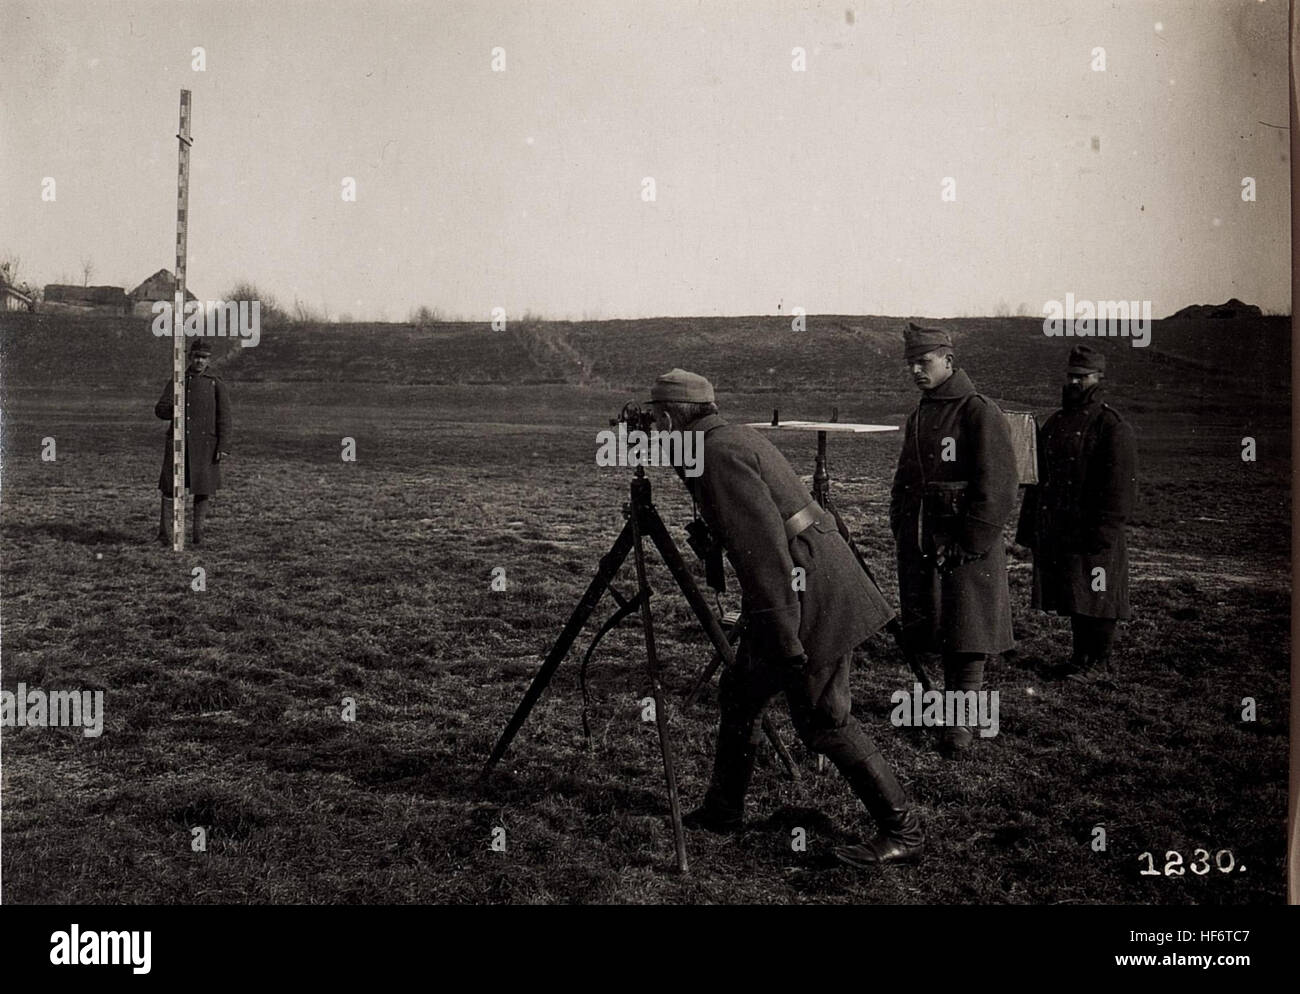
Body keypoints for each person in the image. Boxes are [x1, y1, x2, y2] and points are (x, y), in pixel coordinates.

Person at [646, 368, 924, 867]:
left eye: (656, 419)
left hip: (807, 591)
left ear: (669, 417)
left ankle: (903, 831)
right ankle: (724, 809)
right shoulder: (725, 438)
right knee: (741, 693)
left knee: (822, 717)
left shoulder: (716, 454)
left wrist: (784, 636)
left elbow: (764, 556)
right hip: (801, 580)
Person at [889, 323, 1018, 756]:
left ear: (948, 360)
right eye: (911, 363)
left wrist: (972, 541)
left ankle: (960, 726)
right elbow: (906, 477)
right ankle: (948, 712)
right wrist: (900, 523)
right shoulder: (921, 413)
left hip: (966, 544)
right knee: (942, 628)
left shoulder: (979, 411)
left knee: (968, 633)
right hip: (925, 539)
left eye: (923, 362)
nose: (915, 371)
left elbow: (998, 485)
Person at [1015, 344, 1137, 683]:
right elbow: (1038, 479)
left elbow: (1119, 488)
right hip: (1063, 530)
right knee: (1077, 594)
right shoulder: (1056, 423)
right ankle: (1080, 658)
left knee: (1100, 597)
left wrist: (1104, 532)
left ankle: (1099, 663)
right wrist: (1031, 530)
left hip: (1097, 534)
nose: (1075, 382)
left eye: (1083, 377)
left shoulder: (1110, 426)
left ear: (1099, 377)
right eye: (1071, 376)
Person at [154, 339, 231, 547]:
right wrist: (174, 410)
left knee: (202, 487)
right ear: (190, 357)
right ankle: (165, 535)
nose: (199, 361)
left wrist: (223, 447)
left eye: (204, 358)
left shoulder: (216, 382)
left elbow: (224, 417)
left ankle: (199, 534)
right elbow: (160, 408)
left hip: (206, 445)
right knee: (170, 488)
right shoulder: (178, 380)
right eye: (196, 356)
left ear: (209, 360)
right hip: (178, 443)